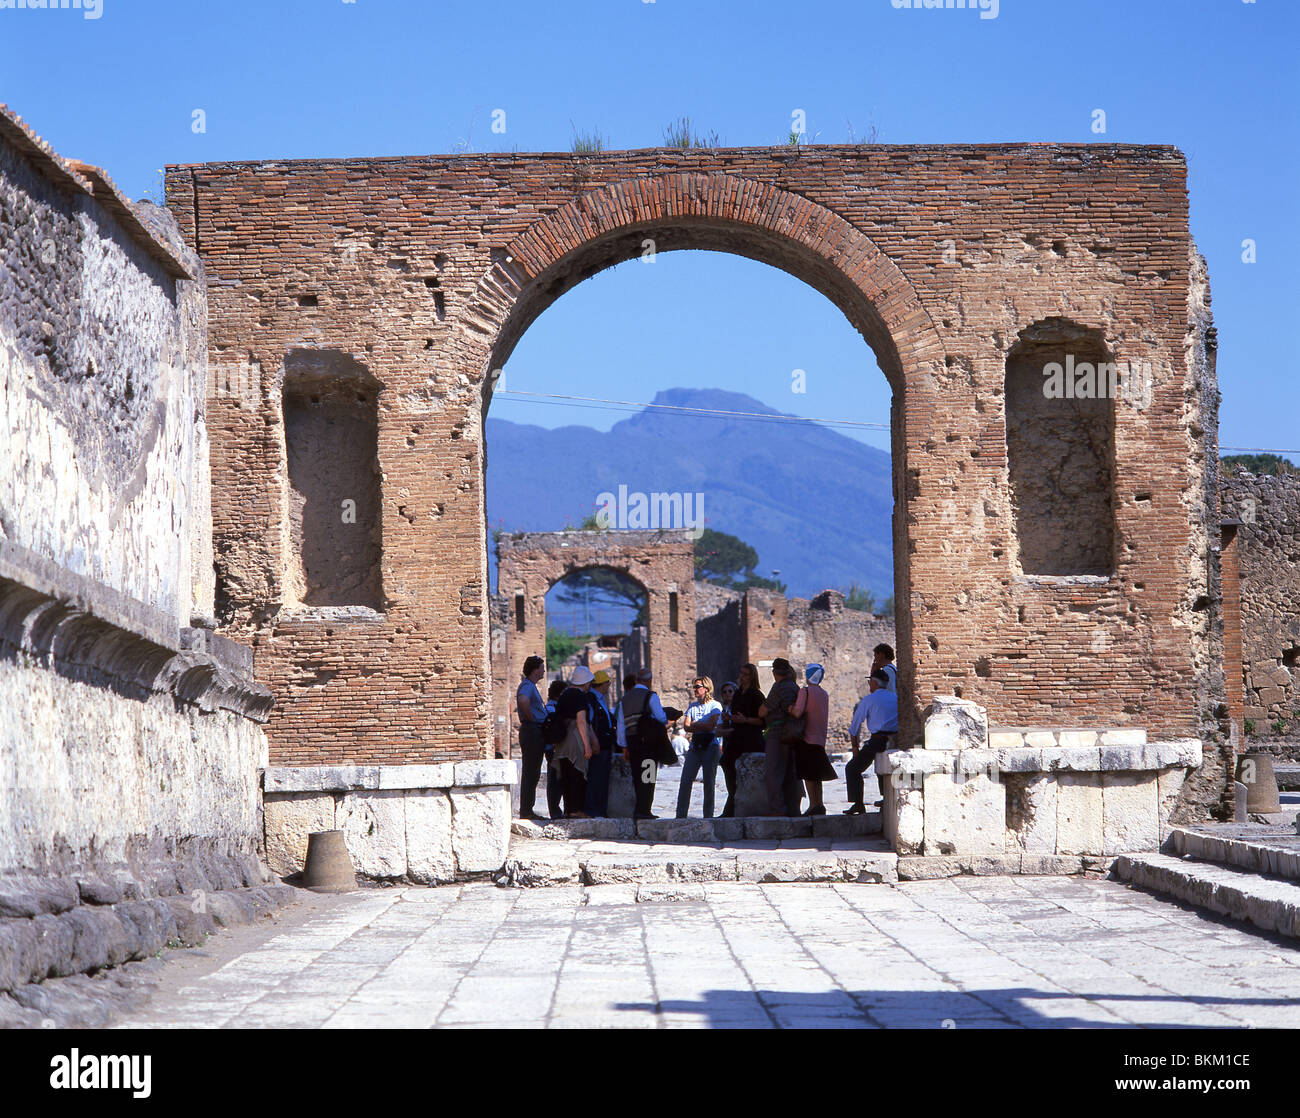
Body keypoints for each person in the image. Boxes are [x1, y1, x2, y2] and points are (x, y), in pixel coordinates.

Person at [844, 668, 899, 814]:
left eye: (870, 682)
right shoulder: (895, 698)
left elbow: (855, 726)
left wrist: (854, 747)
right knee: (882, 768)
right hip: (895, 740)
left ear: (874, 683)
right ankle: (885, 799)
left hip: (877, 741)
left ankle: (858, 803)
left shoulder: (869, 700)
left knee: (852, 769)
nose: (869, 684)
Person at [617, 668, 669, 820]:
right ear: (649, 681)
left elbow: (621, 726)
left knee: (637, 777)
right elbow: (661, 718)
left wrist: (624, 747)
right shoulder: (650, 696)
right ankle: (645, 810)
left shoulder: (624, 699)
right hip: (648, 744)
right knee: (649, 776)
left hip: (632, 744)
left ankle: (639, 809)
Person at [790, 663, 837, 816]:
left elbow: (798, 713)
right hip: (819, 737)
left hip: (806, 737)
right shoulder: (824, 694)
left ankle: (812, 805)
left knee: (808, 774)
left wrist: (789, 708)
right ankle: (819, 804)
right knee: (816, 774)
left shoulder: (805, 691)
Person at [759, 658, 804, 817]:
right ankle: (793, 809)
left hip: (778, 733)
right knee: (790, 773)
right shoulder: (794, 686)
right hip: (793, 733)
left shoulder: (779, 687)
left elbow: (762, 711)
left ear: (774, 672)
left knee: (773, 773)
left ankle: (777, 809)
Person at [720, 664, 765, 817]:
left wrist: (745, 720)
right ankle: (732, 803)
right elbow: (735, 716)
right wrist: (729, 718)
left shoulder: (757, 695)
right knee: (726, 763)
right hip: (736, 737)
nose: (742, 676)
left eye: (745, 674)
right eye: (741, 673)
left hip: (751, 738)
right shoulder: (738, 693)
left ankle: (735, 807)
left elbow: (762, 722)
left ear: (751, 676)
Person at [553, 666, 597, 818]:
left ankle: (568, 810)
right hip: (574, 738)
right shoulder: (580, 696)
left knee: (566, 774)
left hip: (562, 741)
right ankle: (576, 810)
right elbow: (581, 721)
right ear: (585, 682)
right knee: (578, 773)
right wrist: (587, 745)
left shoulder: (564, 695)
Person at [677, 676, 723, 819]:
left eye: (697, 687)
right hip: (695, 746)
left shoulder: (715, 706)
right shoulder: (692, 706)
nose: (695, 690)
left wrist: (696, 724)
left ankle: (708, 815)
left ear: (706, 688)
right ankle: (681, 814)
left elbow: (711, 725)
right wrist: (700, 725)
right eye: (694, 687)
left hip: (710, 746)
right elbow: (686, 726)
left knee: (709, 782)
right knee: (685, 780)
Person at [515, 655, 548, 820]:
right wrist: (530, 717)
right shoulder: (527, 686)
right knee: (531, 771)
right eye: (542, 667)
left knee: (533, 771)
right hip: (532, 730)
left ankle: (528, 809)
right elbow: (523, 700)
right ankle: (526, 810)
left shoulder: (530, 685)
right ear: (535, 670)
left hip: (533, 730)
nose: (544, 671)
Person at [584, 670, 617, 817]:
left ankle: (601, 810)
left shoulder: (600, 699)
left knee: (603, 779)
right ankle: (593, 809)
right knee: (596, 778)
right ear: (601, 684)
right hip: (598, 745)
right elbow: (588, 723)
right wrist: (593, 741)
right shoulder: (591, 699)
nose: (608, 686)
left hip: (605, 744)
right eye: (607, 683)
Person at [544, 679, 566, 819]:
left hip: (554, 748)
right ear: (559, 695)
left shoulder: (552, 707)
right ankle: (555, 811)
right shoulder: (552, 709)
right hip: (553, 749)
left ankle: (556, 810)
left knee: (558, 779)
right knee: (554, 779)